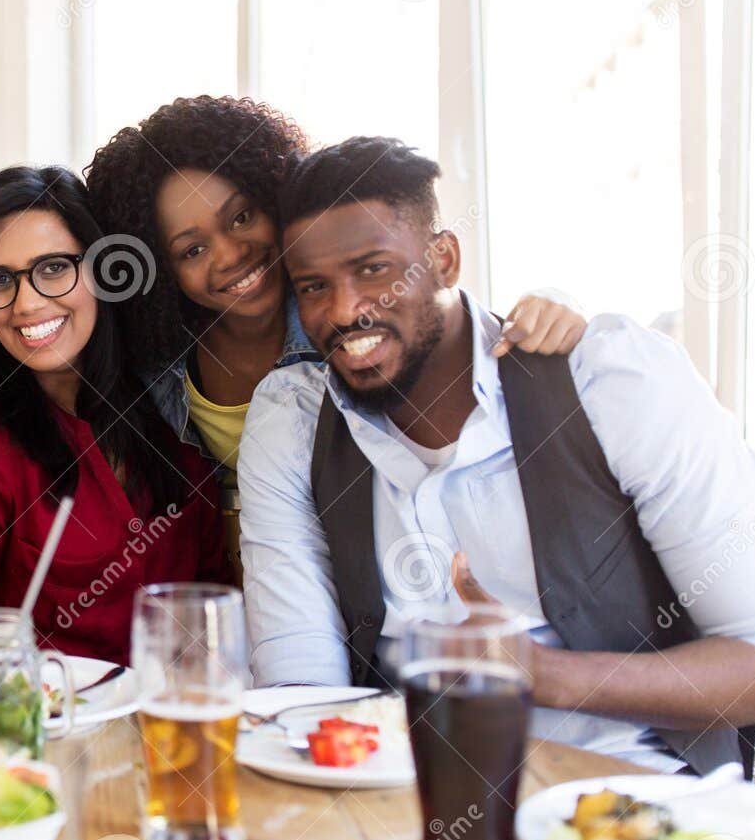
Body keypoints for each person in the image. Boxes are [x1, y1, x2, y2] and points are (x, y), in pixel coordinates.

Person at [239, 137, 755, 773]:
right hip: (403, 795)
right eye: (314, 286)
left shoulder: (614, 380)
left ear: (444, 258)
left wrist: (543, 674)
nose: (345, 310)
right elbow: (303, 687)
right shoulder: (293, 420)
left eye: (374, 269)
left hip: (634, 795)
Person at [85, 96, 588, 574]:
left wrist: (554, 301)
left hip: (360, 589)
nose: (230, 254)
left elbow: (452, 333)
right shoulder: (158, 366)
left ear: (274, 201)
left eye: (242, 217)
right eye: (192, 250)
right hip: (227, 600)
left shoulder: (348, 319)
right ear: (163, 268)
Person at [0, 166, 229, 666]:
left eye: (54, 267)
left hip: (184, 728)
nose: (28, 303)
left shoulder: (173, 408)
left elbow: (220, 612)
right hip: (49, 734)